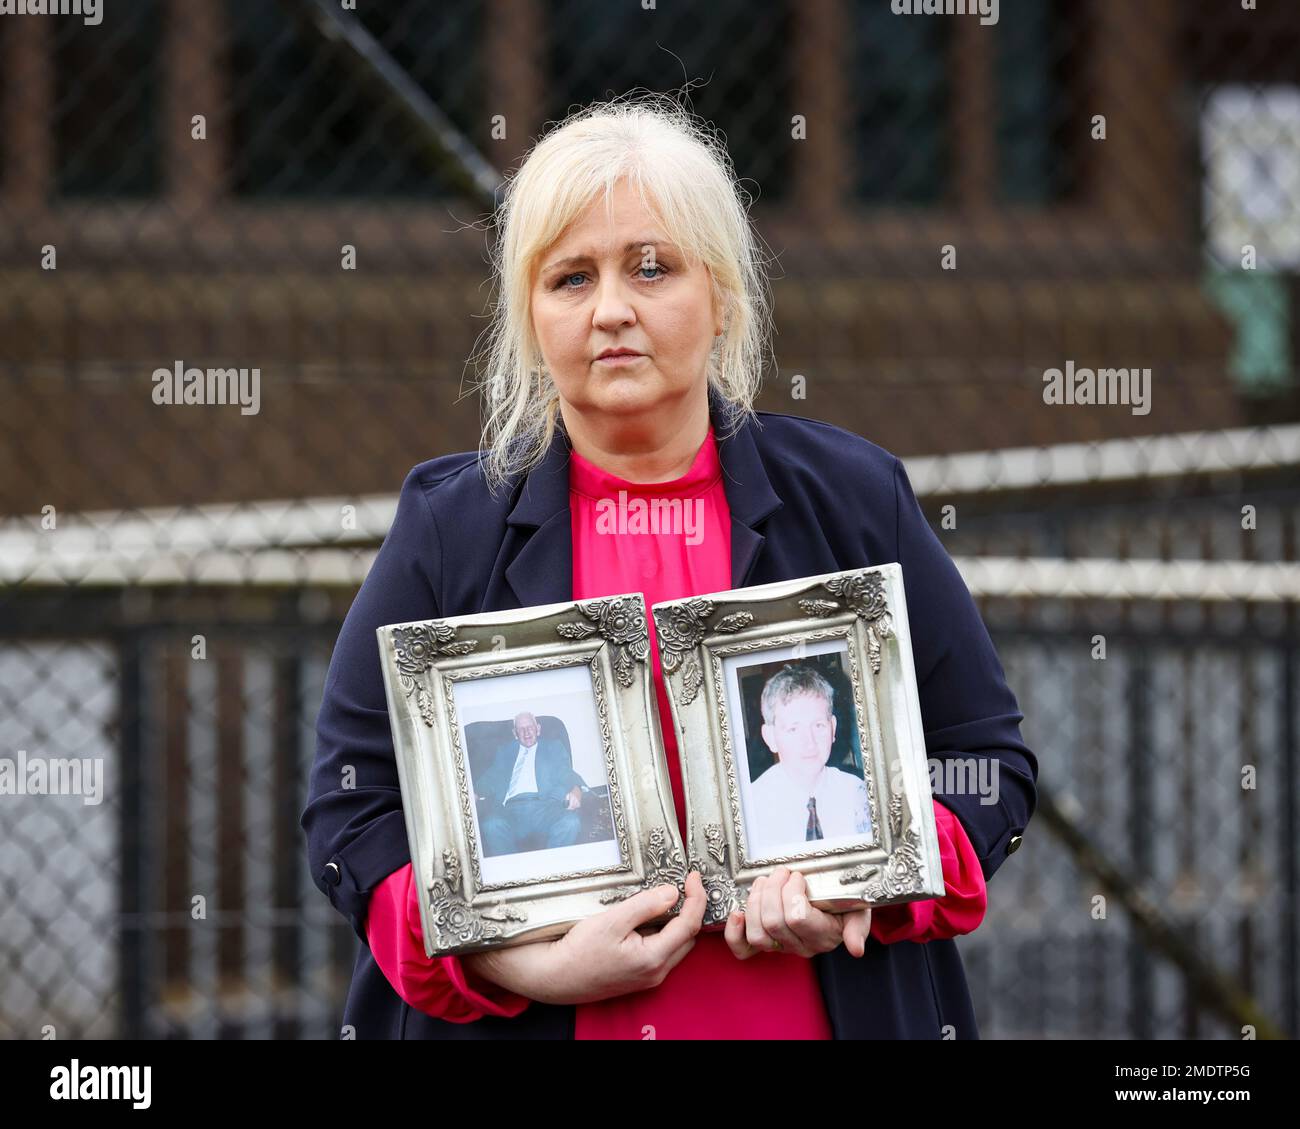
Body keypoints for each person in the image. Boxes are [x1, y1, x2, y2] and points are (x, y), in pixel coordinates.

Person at [302, 93, 1037, 1039]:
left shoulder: (855, 497)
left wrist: (868, 879)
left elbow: (987, 762)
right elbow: (349, 811)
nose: (611, 309)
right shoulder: (448, 530)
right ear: (529, 316)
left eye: (651, 267)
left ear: (722, 294)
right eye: (570, 278)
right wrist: (516, 960)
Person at [746, 665, 872, 855]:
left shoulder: (858, 795)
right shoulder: (751, 810)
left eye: (819, 725)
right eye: (793, 729)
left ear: (833, 728)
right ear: (770, 737)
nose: (809, 742)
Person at [475, 712, 586, 855]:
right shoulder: (505, 752)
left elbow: (566, 772)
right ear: (515, 733)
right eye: (521, 729)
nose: (526, 732)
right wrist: (475, 793)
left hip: (546, 808)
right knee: (491, 825)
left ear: (538, 729)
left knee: (570, 822)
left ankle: (554, 871)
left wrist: (576, 791)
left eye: (530, 727)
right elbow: (491, 777)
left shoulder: (553, 747)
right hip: (511, 810)